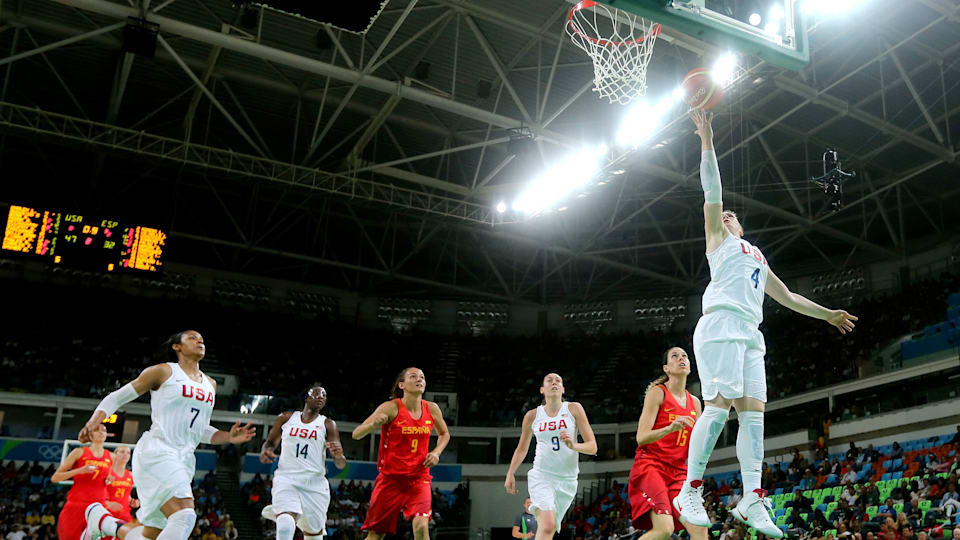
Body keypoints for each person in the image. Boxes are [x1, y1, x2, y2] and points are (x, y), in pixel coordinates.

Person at [674, 110, 858, 539]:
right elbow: (711, 189)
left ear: (741, 224)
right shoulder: (718, 242)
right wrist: (707, 140)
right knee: (718, 409)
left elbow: (789, 297)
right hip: (720, 326)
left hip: (751, 335)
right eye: (720, 215)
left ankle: (751, 498)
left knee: (754, 415)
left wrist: (828, 314)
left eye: (730, 215)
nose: (725, 216)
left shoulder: (756, 255)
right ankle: (690, 489)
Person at [78, 330, 256, 540]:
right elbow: (118, 397)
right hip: (158, 451)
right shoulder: (163, 371)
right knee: (185, 514)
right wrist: (93, 421)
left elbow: (200, 430)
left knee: (152, 534)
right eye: (192, 337)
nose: (199, 341)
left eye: (202, 339)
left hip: (184, 459)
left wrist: (228, 437)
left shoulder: (211, 384)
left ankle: (103, 522)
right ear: (176, 347)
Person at [351, 367, 451, 540]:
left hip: (419, 479)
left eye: (422, 377)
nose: (419, 379)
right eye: (413, 376)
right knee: (376, 534)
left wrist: (436, 452)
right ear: (402, 385)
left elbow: (444, 434)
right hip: (390, 480)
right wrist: (373, 424)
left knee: (421, 526)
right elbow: (356, 434)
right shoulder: (390, 408)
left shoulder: (432, 409)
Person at [504, 373, 598, 540]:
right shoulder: (532, 416)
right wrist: (510, 473)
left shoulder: (574, 409)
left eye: (558, 381)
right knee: (547, 525)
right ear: (542, 389)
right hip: (542, 475)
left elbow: (592, 447)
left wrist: (573, 445)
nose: (554, 382)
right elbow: (521, 449)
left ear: (563, 389)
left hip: (567, 479)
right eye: (549, 380)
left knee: (550, 528)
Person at [629, 347, 709, 540]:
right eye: (675, 356)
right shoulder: (658, 393)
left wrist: (714, 424)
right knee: (664, 529)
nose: (681, 358)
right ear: (666, 368)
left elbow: (698, 445)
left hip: (679, 473)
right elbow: (641, 437)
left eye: (685, 356)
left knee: (700, 529)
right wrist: (669, 429)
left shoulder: (695, 403)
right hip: (651, 466)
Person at [258, 384, 348, 540]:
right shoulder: (285, 418)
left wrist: (339, 456)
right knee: (286, 523)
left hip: (315, 483)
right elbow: (270, 442)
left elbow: (340, 464)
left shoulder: (328, 424)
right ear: (307, 398)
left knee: (313, 534)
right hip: (287, 478)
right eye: (317, 394)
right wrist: (266, 450)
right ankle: (283, 512)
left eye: (324, 395)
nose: (321, 397)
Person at [51, 423, 114, 540]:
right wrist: (80, 470)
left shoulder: (111, 456)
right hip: (76, 503)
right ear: (90, 434)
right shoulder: (79, 452)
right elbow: (55, 478)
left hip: (99, 505)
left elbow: (110, 480)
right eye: (97, 430)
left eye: (104, 430)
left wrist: (110, 479)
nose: (101, 432)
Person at [105, 445, 138, 528]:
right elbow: (96, 495)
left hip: (124, 514)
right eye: (122, 452)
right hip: (106, 512)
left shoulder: (130, 475)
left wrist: (132, 502)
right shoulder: (107, 473)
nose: (125, 454)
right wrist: (108, 504)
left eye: (128, 453)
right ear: (115, 454)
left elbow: (126, 494)